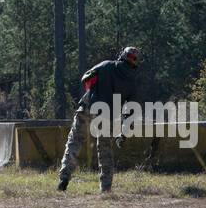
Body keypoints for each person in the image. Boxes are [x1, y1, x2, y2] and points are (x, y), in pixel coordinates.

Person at [57, 46, 142, 194]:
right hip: (107, 116)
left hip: (88, 107)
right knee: (105, 151)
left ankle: (64, 178)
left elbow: (86, 78)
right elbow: (130, 111)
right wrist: (124, 133)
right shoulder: (132, 83)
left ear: (122, 55)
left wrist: (95, 88)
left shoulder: (106, 65)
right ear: (135, 62)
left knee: (74, 142)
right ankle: (105, 188)